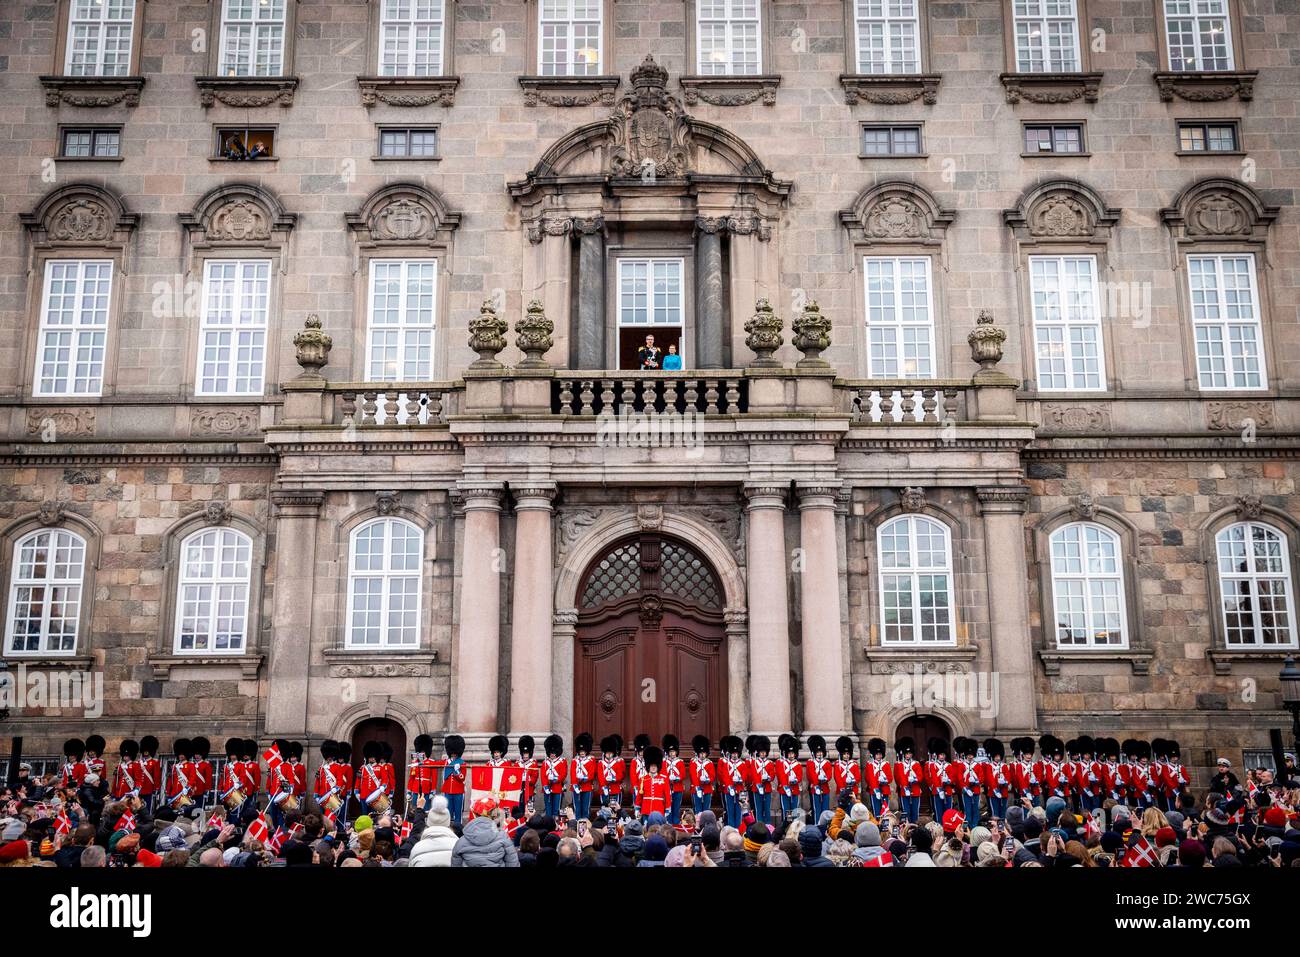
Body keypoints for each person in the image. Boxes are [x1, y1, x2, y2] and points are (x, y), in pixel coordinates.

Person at [451, 799, 519, 867]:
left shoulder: (462, 841)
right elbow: (513, 862)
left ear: (474, 814)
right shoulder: (503, 837)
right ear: (494, 815)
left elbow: (456, 863)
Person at [718, 735, 747, 828]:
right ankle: (730, 828)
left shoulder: (742, 763)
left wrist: (740, 780)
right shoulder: (726, 764)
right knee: (730, 809)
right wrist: (729, 786)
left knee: (739, 809)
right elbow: (725, 776)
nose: (734, 755)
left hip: (740, 789)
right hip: (729, 789)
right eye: (733, 753)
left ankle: (738, 828)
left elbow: (744, 775)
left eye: (736, 753)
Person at [893, 737, 923, 824]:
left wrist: (915, 779)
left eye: (910, 753)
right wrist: (904, 786)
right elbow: (898, 778)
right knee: (906, 812)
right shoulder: (899, 765)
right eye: (907, 753)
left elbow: (920, 776)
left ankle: (914, 826)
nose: (908, 755)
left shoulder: (916, 764)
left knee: (915, 811)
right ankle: (907, 828)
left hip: (915, 790)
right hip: (904, 791)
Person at [775, 735, 803, 827]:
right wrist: (785, 786)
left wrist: (796, 780)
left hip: (794, 789)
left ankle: (794, 827)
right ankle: (786, 827)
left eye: (792, 753)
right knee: (786, 810)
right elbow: (781, 776)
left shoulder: (798, 764)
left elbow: (800, 776)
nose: (791, 755)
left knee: (794, 809)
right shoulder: (783, 764)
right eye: (789, 753)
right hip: (785, 790)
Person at [636, 747, 670, 819]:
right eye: (651, 766)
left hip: (658, 809)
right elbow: (639, 795)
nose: (653, 768)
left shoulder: (663, 779)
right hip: (646, 810)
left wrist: (667, 808)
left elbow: (667, 795)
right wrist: (637, 808)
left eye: (655, 766)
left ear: (658, 767)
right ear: (648, 767)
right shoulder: (643, 779)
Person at [407, 734, 437, 814]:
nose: (422, 753)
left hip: (426, 789)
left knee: (426, 809)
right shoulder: (415, 762)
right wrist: (409, 791)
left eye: (423, 751)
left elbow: (434, 778)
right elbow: (412, 777)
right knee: (415, 809)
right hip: (415, 788)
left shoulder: (431, 762)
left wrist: (432, 791)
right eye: (421, 751)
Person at [805, 736, 832, 823]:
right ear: (814, 753)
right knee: (816, 809)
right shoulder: (810, 762)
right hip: (815, 789)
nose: (820, 753)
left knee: (825, 810)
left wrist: (825, 779)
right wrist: (816, 783)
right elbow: (811, 775)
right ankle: (817, 825)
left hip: (825, 788)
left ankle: (825, 827)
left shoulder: (827, 763)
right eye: (817, 752)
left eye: (821, 752)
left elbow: (829, 774)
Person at [539, 734, 567, 819]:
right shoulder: (545, 763)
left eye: (554, 753)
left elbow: (563, 774)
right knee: (548, 809)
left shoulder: (562, 762)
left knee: (556, 809)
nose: (552, 755)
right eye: (551, 753)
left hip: (557, 787)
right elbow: (543, 776)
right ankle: (548, 823)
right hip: (547, 788)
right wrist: (545, 786)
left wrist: (556, 780)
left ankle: (556, 825)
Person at [441, 735, 466, 825]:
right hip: (448, 790)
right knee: (448, 811)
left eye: (455, 752)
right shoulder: (446, 762)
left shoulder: (462, 763)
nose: (453, 754)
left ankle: (458, 828)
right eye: (452, 752)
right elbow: (434, 764)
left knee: (458, 812)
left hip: (458, 791)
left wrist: (457, 770)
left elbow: (462, 778)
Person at [570, 733, 596, 821]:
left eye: (583, 751)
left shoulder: (591, 760)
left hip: (587, 787)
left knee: (585, 808)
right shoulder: (574, 761)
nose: (582, 753)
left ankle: (586, 826)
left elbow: (592, 774)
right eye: (580, 751)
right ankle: (577, 825)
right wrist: (575, 784)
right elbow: (572, 774)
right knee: (577, 808)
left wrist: (584, 779)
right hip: (576, 787)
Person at [863, 738, 891, 819]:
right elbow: (869, 778)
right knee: (877, 812)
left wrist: (885, 780)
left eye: (880, 754)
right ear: (873, 754)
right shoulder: (870, 765)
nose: (879, 756)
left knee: (885, 812)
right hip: (874, 792)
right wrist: (875, 789)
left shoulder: (886, 764)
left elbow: (890, 777)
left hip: (885, 790)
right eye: (877, 754)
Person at [662, 735, 686, 824]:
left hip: (678, 787)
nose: (672, 753)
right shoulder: (664, 762)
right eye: (670, 752)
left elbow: (683, 774)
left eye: (673, 751)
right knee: (668, 807)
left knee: (676, 807)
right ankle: (668, 822)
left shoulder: (680, 762)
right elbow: (663, 774)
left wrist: (677, 778)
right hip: (668, 788)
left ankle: (676, 822)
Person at [597, 735, 625, 808]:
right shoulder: (601, 763)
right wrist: (604, 786)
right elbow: (600, 776)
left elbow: (620, 775)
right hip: (604, 790)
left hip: (615, 789)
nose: (609, 755)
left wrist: (614, 779)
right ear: (604, 753)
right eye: (607, 753)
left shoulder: (617, 762)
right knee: (605, 809)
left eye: (611, 753)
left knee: (615, 809)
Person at [689, 736, 714, 817]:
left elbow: (712, 775)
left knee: (706, 810)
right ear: (698, 753)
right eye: (701, 753)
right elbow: (693, 775)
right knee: (697, 810)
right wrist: (697, 787)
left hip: (707, 789)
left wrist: (708, 780)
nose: (702, 755)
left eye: (704, 753)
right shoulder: (693, 762)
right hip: (696, 789)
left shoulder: (709, 763)